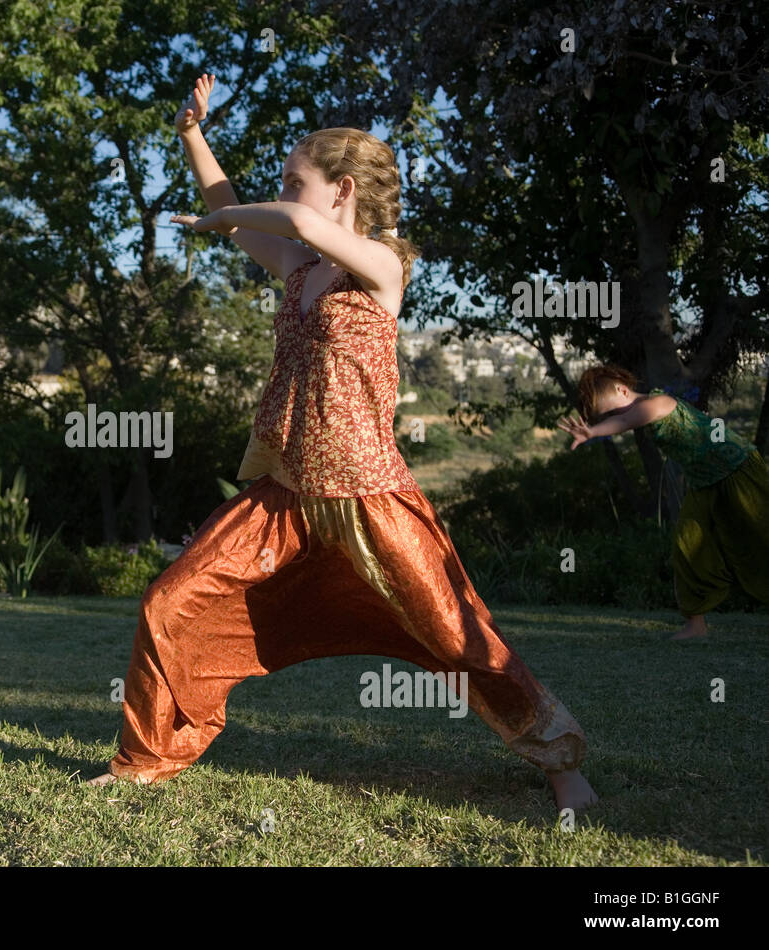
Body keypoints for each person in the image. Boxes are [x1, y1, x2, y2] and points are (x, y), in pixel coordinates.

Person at [89, 74, 595, 811]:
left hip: (368, 493)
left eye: (296, 180)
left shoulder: (384, 269)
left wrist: (214, 228)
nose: (285, 191)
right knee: (170, 602)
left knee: (457, 636)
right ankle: (144, 759)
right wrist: (192, 134)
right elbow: (233, 214)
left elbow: (287, 225)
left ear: (343, 190)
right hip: (285, 492)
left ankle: (561, 765)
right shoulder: (300, 270)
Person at [559, 364, 769, 640]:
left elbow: (624, 422)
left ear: (623, 390)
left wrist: (593, 432)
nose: (612, 417)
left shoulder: (658, 403)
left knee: (762, 538)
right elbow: (624, 420)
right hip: (705, 481)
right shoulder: (645, 409)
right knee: (688, 545)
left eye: (610, 411)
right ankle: (696, 625)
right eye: (605, 416)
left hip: (737, 469)